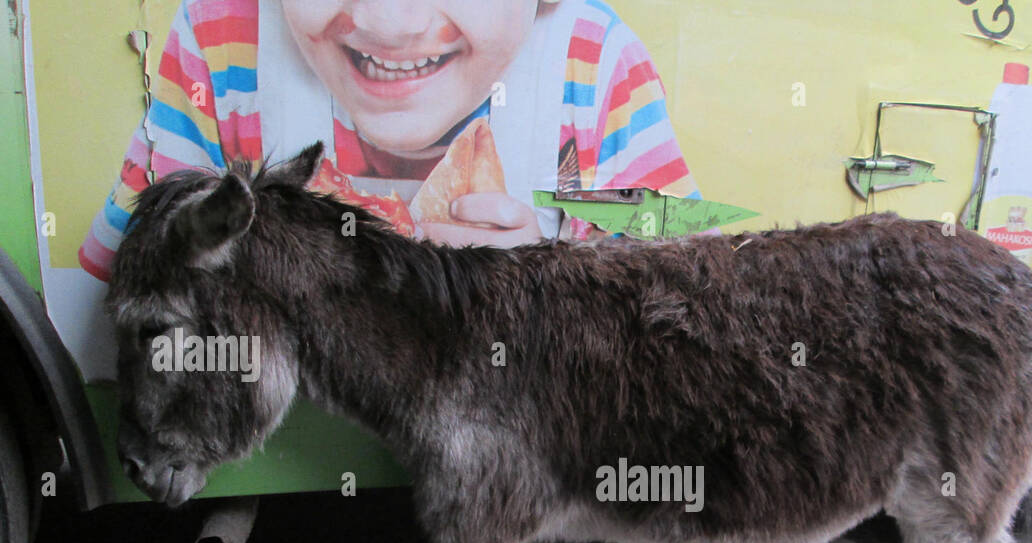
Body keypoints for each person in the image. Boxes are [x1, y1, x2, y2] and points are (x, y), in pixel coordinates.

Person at [80, 0, 699, 281]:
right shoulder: (221, 44)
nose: (390, 24)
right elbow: (118, 270)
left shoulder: (592, 70)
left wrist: (552, 275)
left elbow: (700, 301)